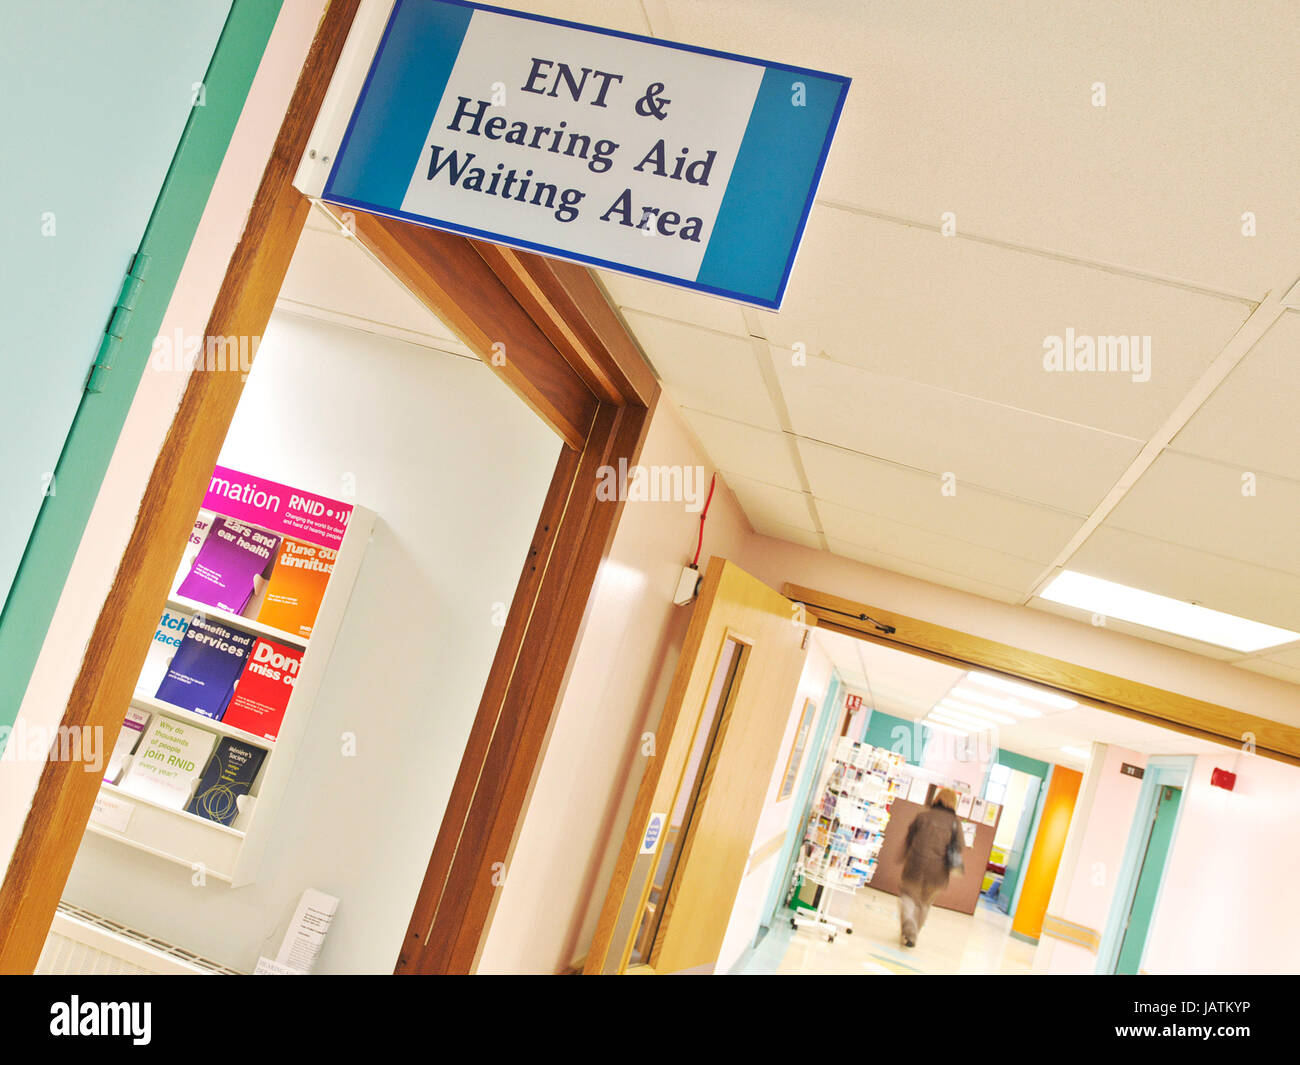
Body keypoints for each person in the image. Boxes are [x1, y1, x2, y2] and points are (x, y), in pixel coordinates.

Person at [898, 787, 965, 948]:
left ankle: (908, 923)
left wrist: (902, 856)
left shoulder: (922, 817)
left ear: (937, 799)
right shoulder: (956, 824)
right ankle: (912, 935)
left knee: (907, 895)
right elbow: (959, 846)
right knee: (924, 903)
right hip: (938, 873)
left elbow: (909, 839)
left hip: (915, 866)